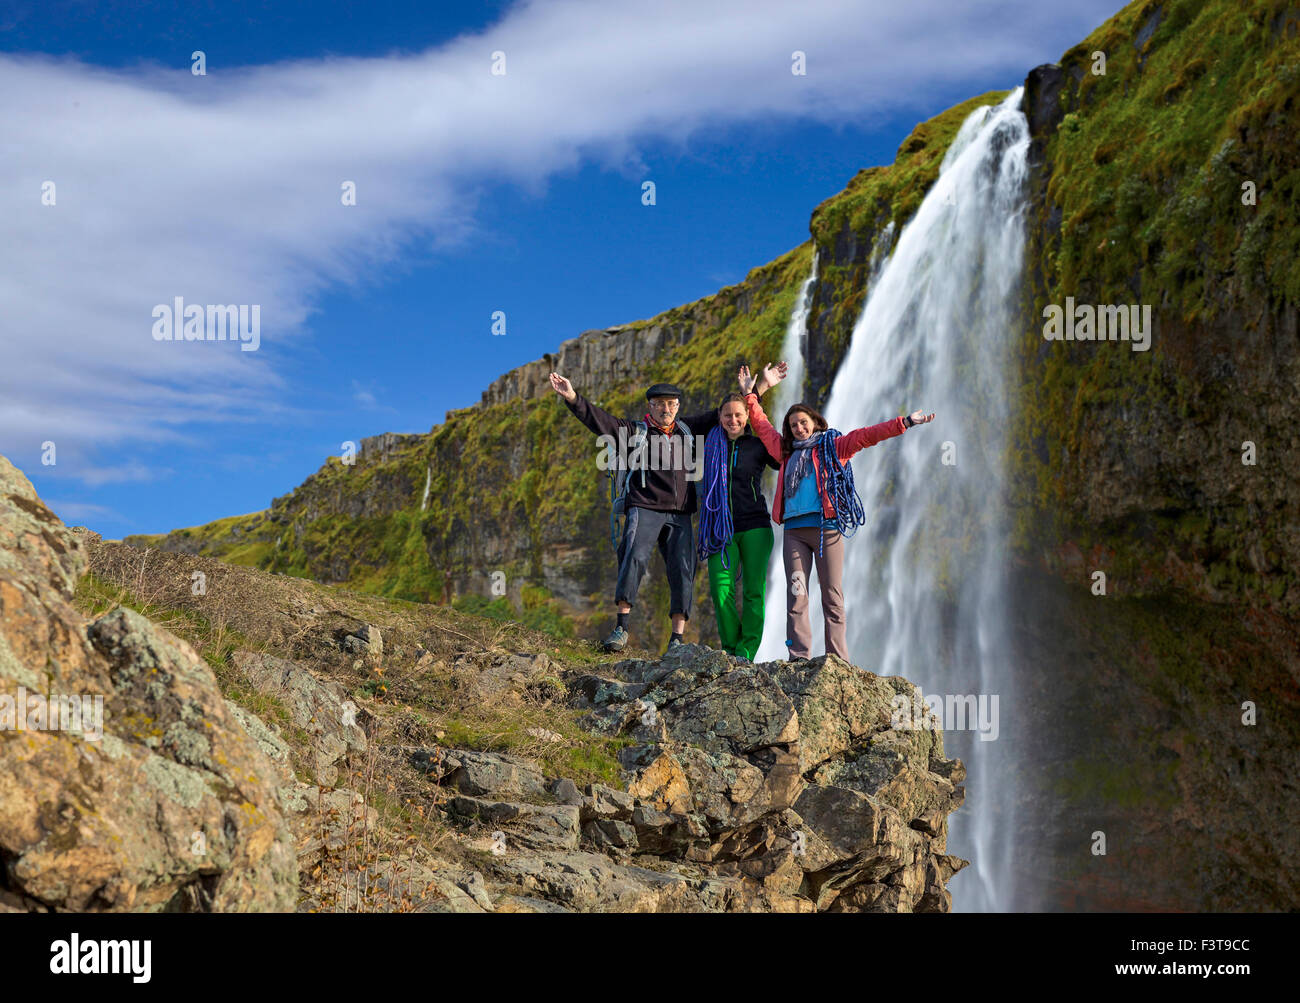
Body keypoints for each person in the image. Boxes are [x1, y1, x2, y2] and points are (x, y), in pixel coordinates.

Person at [550, 370, 781, 654]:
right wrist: (573, 397)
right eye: (659, 403)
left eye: (671, 403)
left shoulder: (687, 430)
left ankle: (677, 639)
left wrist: (760, 388)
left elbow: (730, 413)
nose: (666, 409)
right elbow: (600, 422)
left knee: (684, 569)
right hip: (645, 506)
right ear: (650, 406)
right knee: (634, 556)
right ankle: (621, 627)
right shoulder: (636, 432)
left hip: (681, 511)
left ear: (678, 406)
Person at [738, 363, 935, 661]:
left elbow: (869, 435)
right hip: (794, 533)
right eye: (793, 425)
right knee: (797, 594)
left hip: (826, 529)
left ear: (815, 422)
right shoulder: (785, 452)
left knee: (832, 596)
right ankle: (799, 656)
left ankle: (837, 659)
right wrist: (751, 395)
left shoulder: (835, 447)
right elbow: (761, 425)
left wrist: (905, 422)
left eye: (803, 422)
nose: (798, 428)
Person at [696, 391, 781, 663]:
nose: (733, 420)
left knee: (754, 591)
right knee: (722, 590)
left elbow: (782, 457)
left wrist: (757, 396)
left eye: (738, 415)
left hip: (756, 526)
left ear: (746, 419)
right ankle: (731, 650)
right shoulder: (709, 445)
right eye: (727, 415)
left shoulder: (758, 446)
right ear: (719, 417)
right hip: (720, 529)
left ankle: (746, 652)